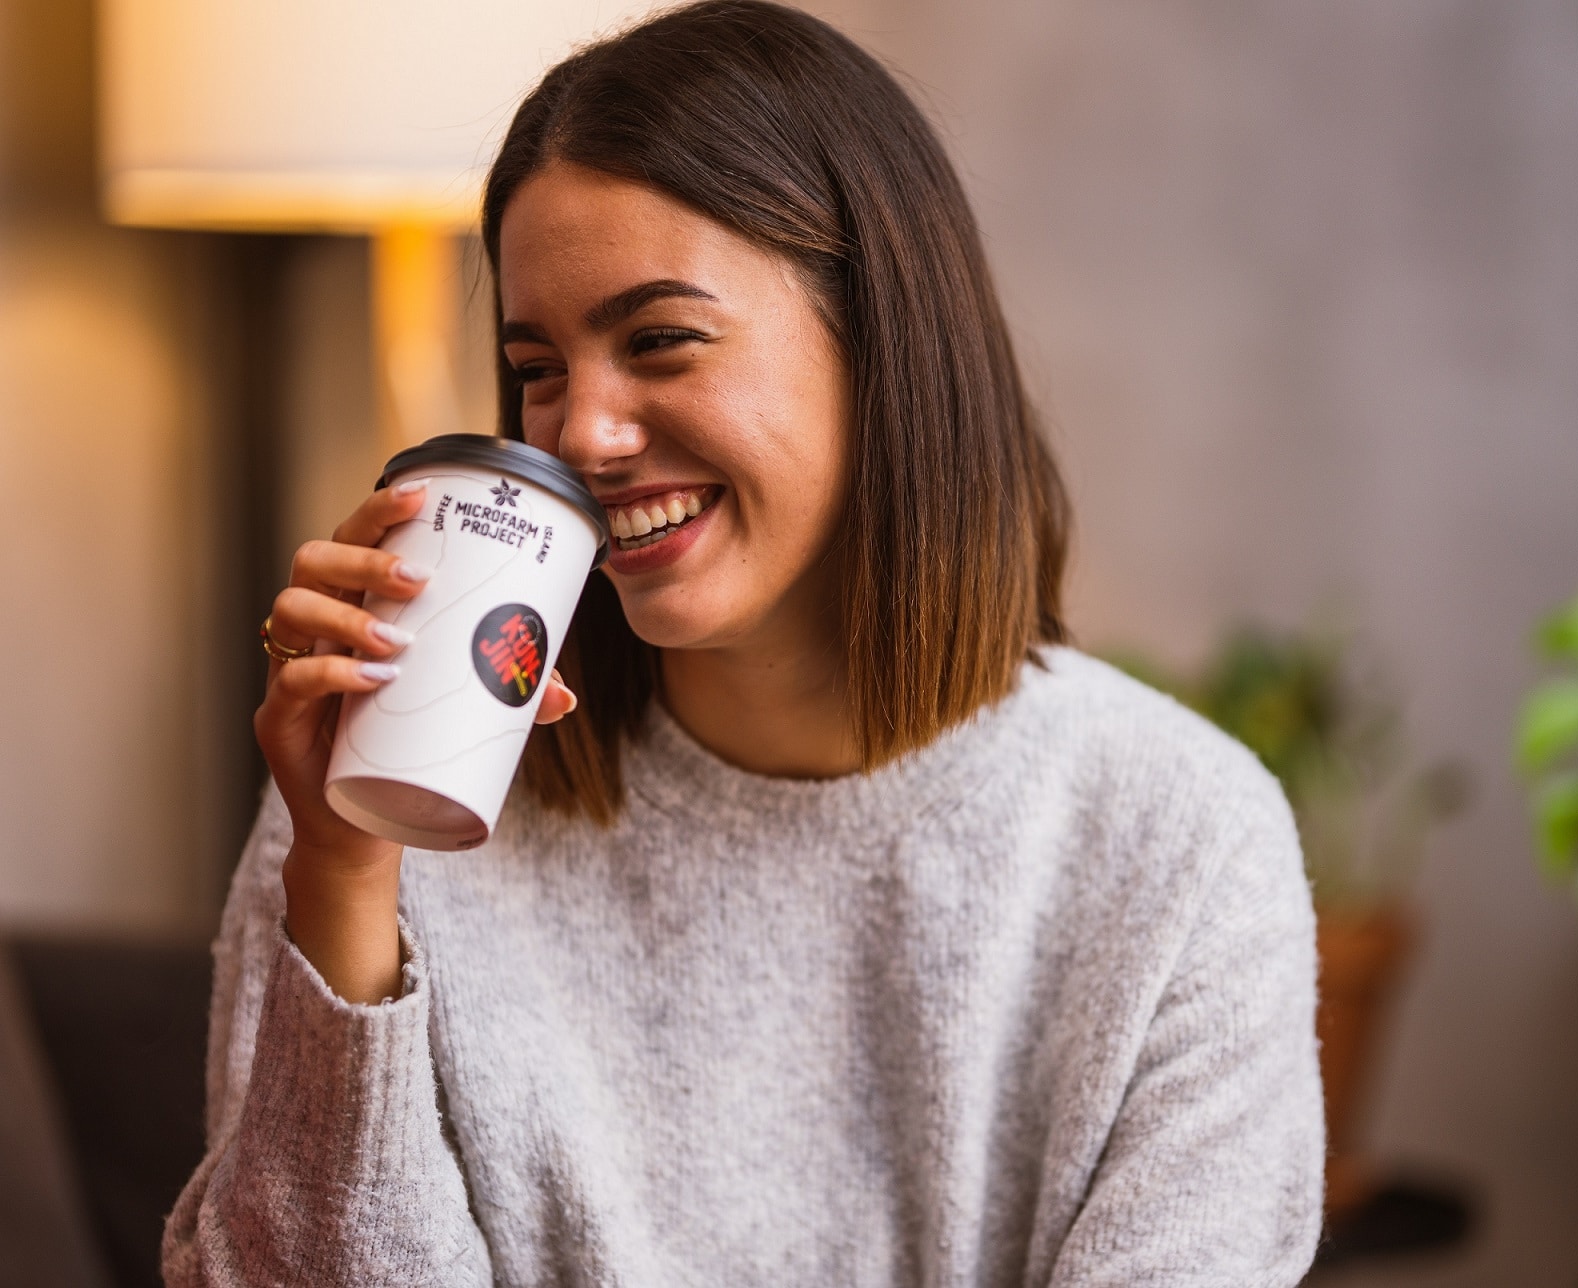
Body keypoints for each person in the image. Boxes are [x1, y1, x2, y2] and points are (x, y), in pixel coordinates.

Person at [162, 2, 1324, 1283]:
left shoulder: (1182, 842)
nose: (581, 436)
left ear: (880, 338)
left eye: (660, 340)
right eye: (539, 367)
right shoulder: (388, 802)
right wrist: (341, 882)